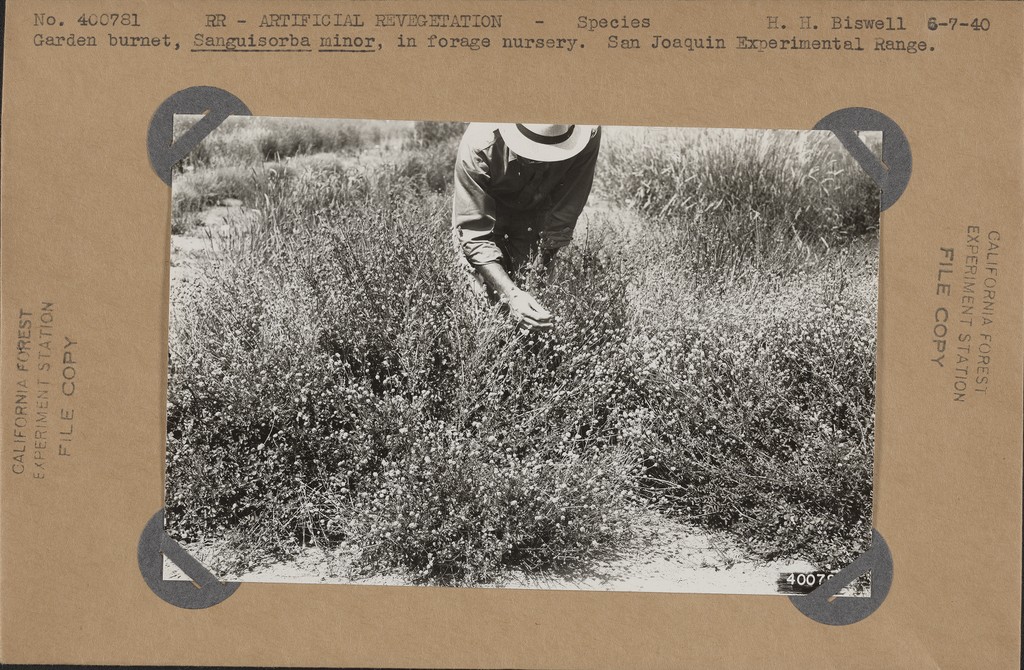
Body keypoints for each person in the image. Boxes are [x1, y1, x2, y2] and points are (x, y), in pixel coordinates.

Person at [452, 122, 601, 330]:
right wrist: (511, 294)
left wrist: (537, 273)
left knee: (535, 304)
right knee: (481, 310)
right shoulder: (479, 144)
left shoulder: (587, 133)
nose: (543, 159)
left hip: (536, 213)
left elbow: (565, 211)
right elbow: (474, 234)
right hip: (490, 208)